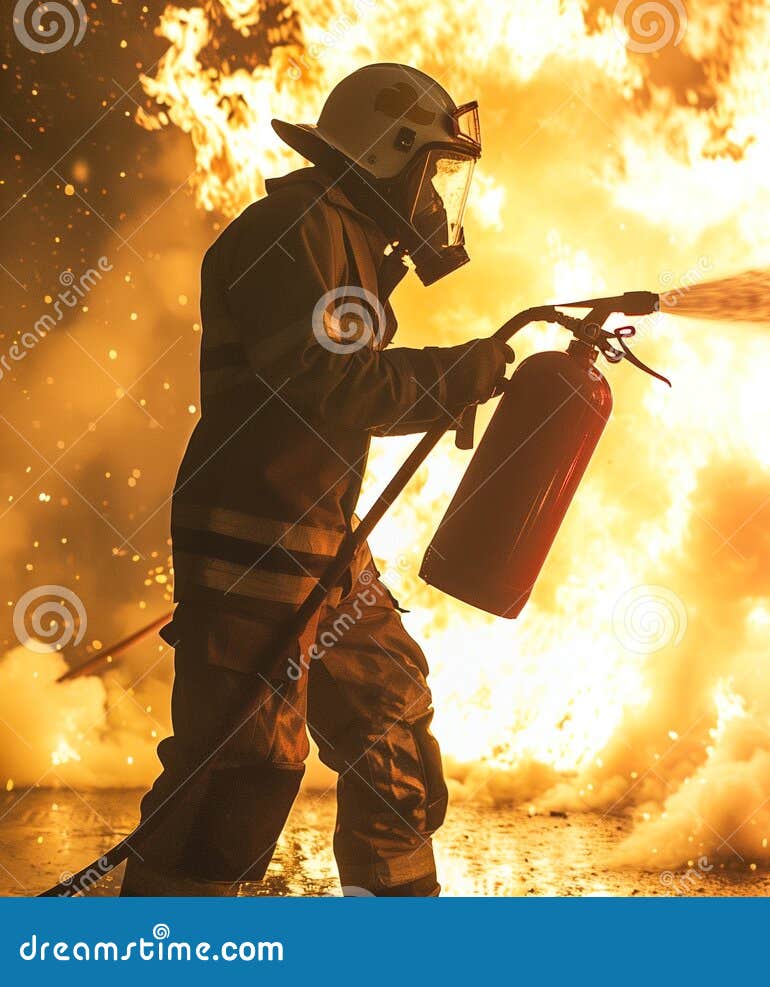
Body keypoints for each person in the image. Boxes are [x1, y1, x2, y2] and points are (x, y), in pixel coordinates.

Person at [121, 63, 506, 896]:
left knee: (389, 718)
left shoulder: (342, 238)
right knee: (240, 770)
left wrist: (454, 375)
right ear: (386, 152)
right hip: (255, 544)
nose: (437, 200)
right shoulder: (290, 230)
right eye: (429, 171)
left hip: (326, 542)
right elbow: (329, 384)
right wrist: (449, 377)